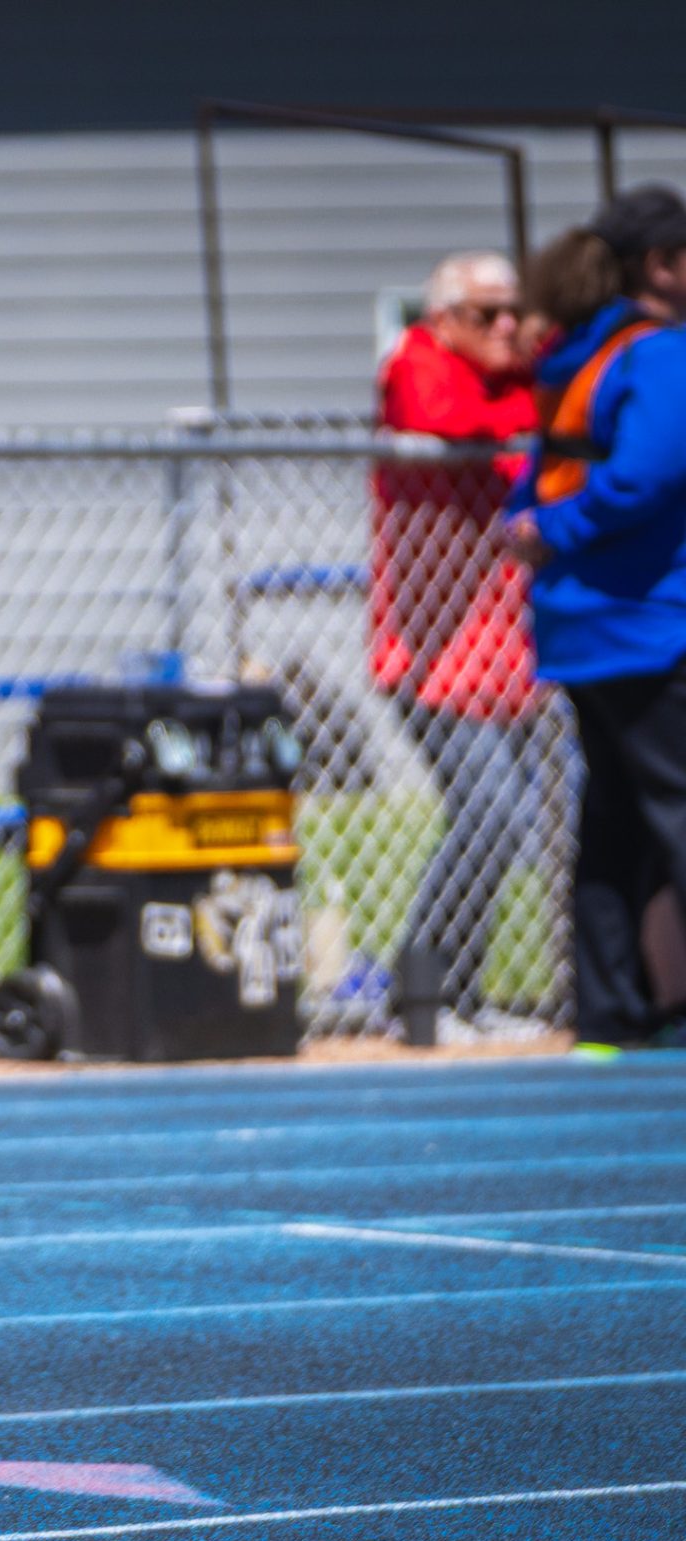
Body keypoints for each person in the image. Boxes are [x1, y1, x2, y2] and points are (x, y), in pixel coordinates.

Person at [504, 185, 686, 1054]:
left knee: (616, 817)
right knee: (672, 807)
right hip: (649, 621)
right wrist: (562, 526)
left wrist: (537, 525)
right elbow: (649, 472)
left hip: (582, 623)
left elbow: (540, 473)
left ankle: (610, 1014)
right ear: (662, 266)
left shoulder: (581, 353)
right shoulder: (660, 352)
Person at [370, 252, 551, 1039]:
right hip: (430, 656)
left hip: (510, 655)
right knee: (491, 811)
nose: (507, 326)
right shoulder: (416, 361)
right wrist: (521, 415)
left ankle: (462, 994)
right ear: (443, 319)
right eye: (486, 314)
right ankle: (419, 995)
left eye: (515, 311)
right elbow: (440, 415)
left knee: (519, 821)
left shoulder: (512, 379)